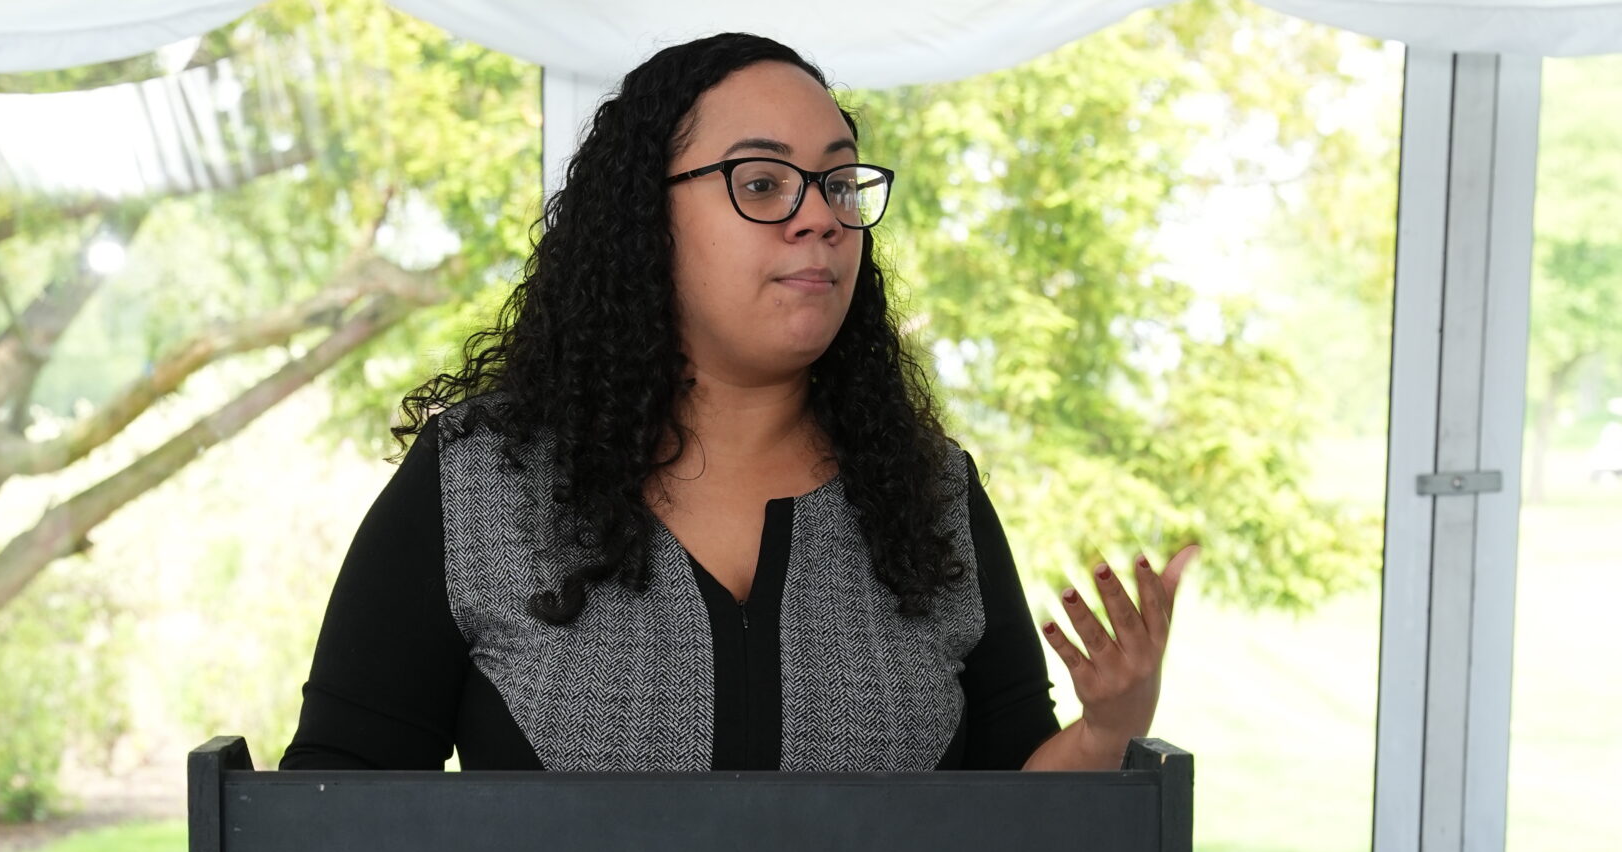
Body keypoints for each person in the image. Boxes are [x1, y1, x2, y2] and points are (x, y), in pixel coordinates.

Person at [281, 33, 1197, 775]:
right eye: (762, 183)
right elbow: (334, 805)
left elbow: (1016, 822)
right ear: (645, 221)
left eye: (839, 183)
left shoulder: (929, 495)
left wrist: (1107, 728)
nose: (821, 216)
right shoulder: (479, 483)